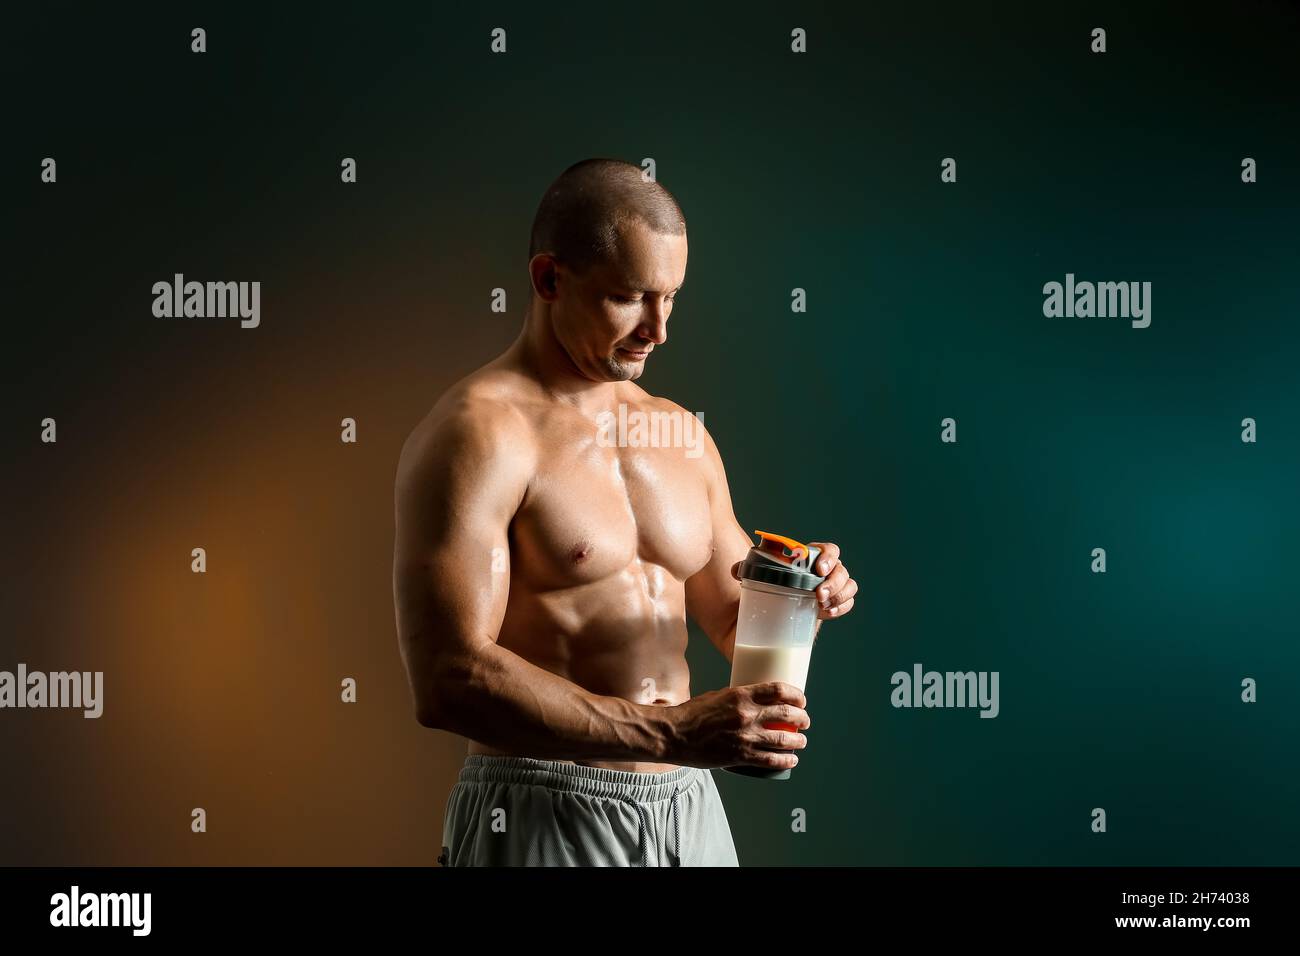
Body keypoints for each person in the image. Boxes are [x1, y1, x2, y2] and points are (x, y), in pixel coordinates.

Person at [393, 158, 857, 866]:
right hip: (543, 802)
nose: (658, 330)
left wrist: (802, 594)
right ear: (550, 279)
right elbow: (451, 679)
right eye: (629, 297)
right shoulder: (479, 434)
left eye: (670, 297)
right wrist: (670, 732)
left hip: (687, 803)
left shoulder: (680, 434)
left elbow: (734, 620)